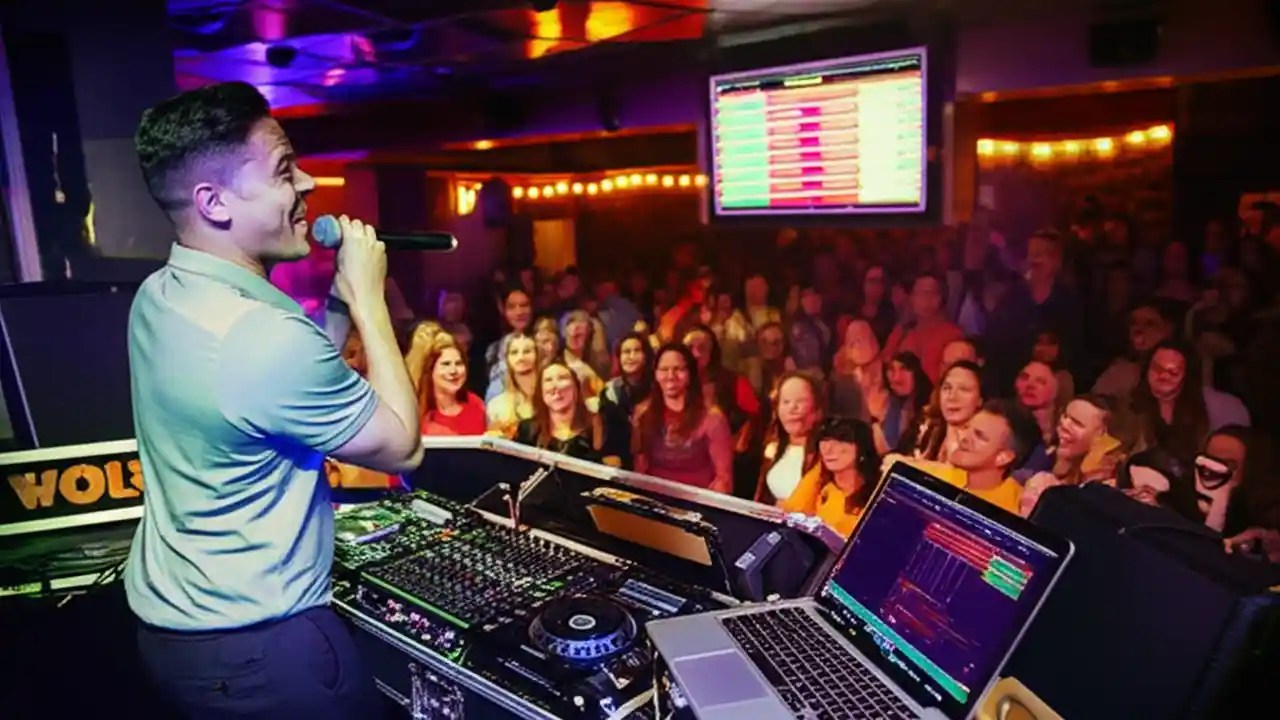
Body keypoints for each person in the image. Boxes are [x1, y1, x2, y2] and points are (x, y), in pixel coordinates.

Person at [125, 82, 422, 719]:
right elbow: (402, 445)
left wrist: (338, 307)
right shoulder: (258, 339)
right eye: (286, 170)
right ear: (214, 201)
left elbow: (275, 394)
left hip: (176, 639)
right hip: (264, 654)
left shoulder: (158, 296)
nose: (310, 184)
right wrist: (372, 298)